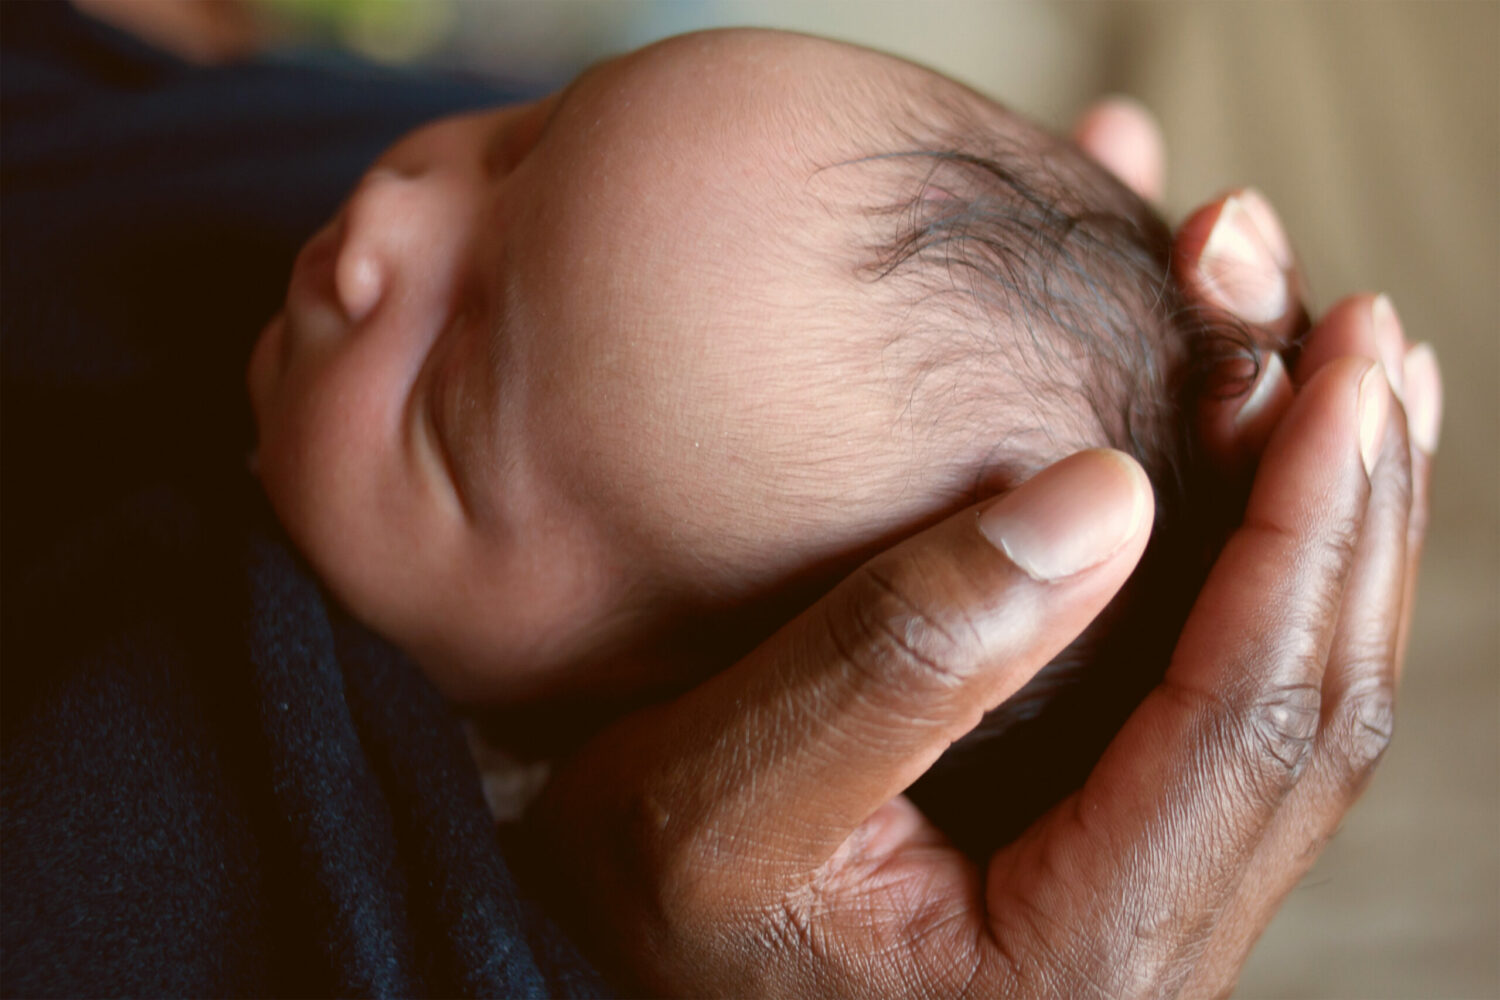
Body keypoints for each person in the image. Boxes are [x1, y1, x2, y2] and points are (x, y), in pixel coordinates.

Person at [1, 3, 1439, 996]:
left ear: (588, 726)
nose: (377, 222)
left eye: (447, 391)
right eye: (524, 136)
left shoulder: (232, 808)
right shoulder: (573, 303)